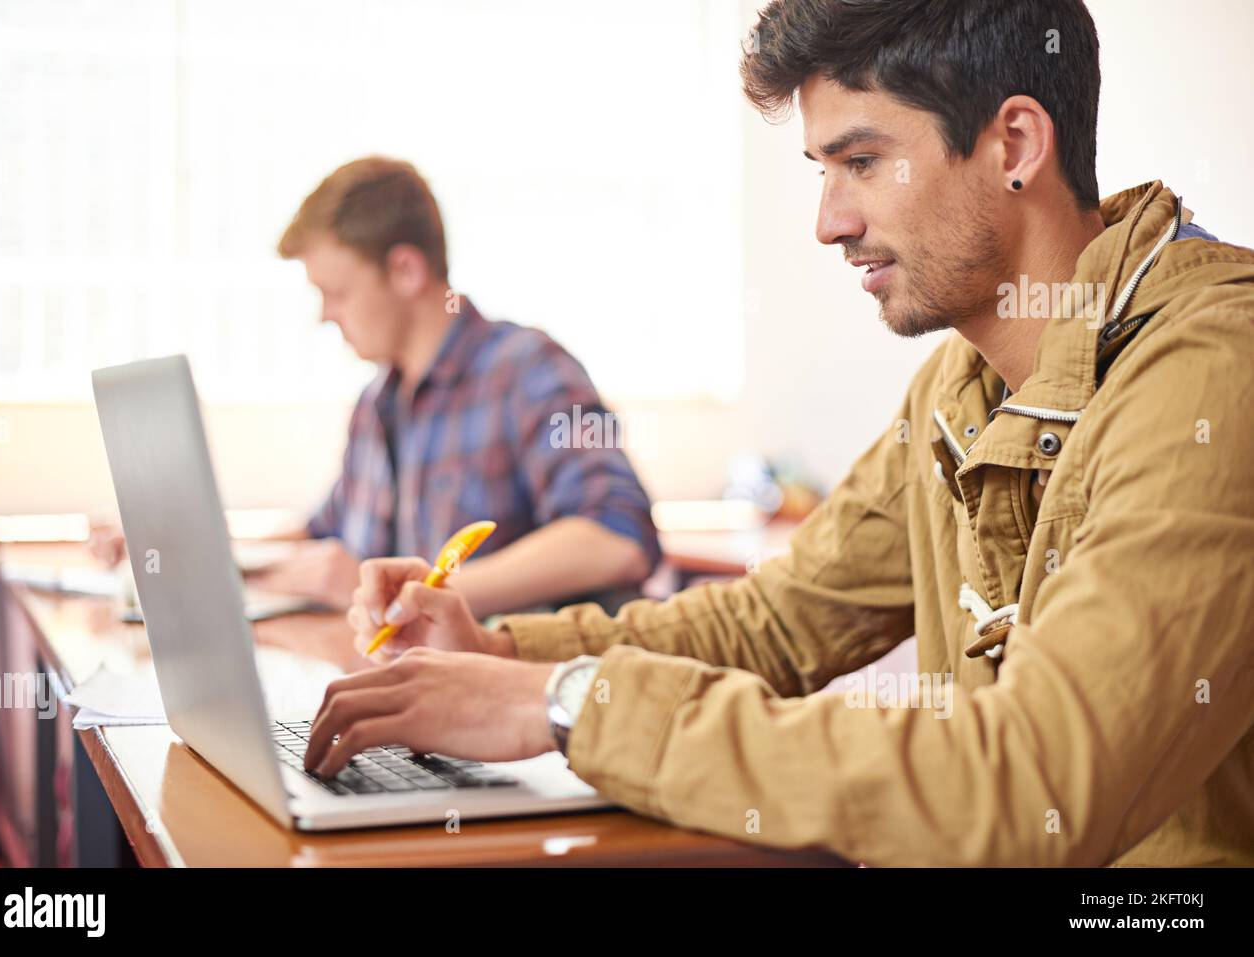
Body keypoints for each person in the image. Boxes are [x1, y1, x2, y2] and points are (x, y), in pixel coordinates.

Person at [303, 0, 1254, 866]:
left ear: (1014, 143)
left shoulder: (1212, 369)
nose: (829, 222)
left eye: (863, 162)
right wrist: (503, 658)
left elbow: (1034, 784)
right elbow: (776, 618)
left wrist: (569, 704)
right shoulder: (955, 389)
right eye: (824, 170)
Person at [93, 157, 662, 617]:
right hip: (407, 687)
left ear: (407, 271)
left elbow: (616, 540)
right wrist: (171, 547)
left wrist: (418, 594)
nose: (324, 315)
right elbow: (316, 540)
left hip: (511, 709)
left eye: (336, 292)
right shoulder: (377, 405)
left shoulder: (530, 370)